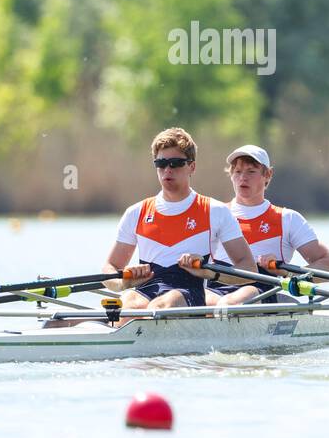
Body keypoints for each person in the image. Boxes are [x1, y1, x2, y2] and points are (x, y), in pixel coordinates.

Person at [101, 128, 259, 310]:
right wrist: (124, 283)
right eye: (161, 163)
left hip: (190, 290)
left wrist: (209, 272)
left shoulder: (215, 211)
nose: (167, 169)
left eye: (175, 163)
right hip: (146, 288)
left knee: (162, 306)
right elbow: (110, 267)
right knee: (128, 304)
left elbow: (249, 269)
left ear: (192, 167)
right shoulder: (136, 212)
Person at [206, 144, 329, 305]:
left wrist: (286, 272)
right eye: (238, 171)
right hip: (215, 288)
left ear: (268, 175)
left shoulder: (288, 219)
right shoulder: (214, 214)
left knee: (228, 304)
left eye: (251, 171)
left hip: (259, 291)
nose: (243, 178)